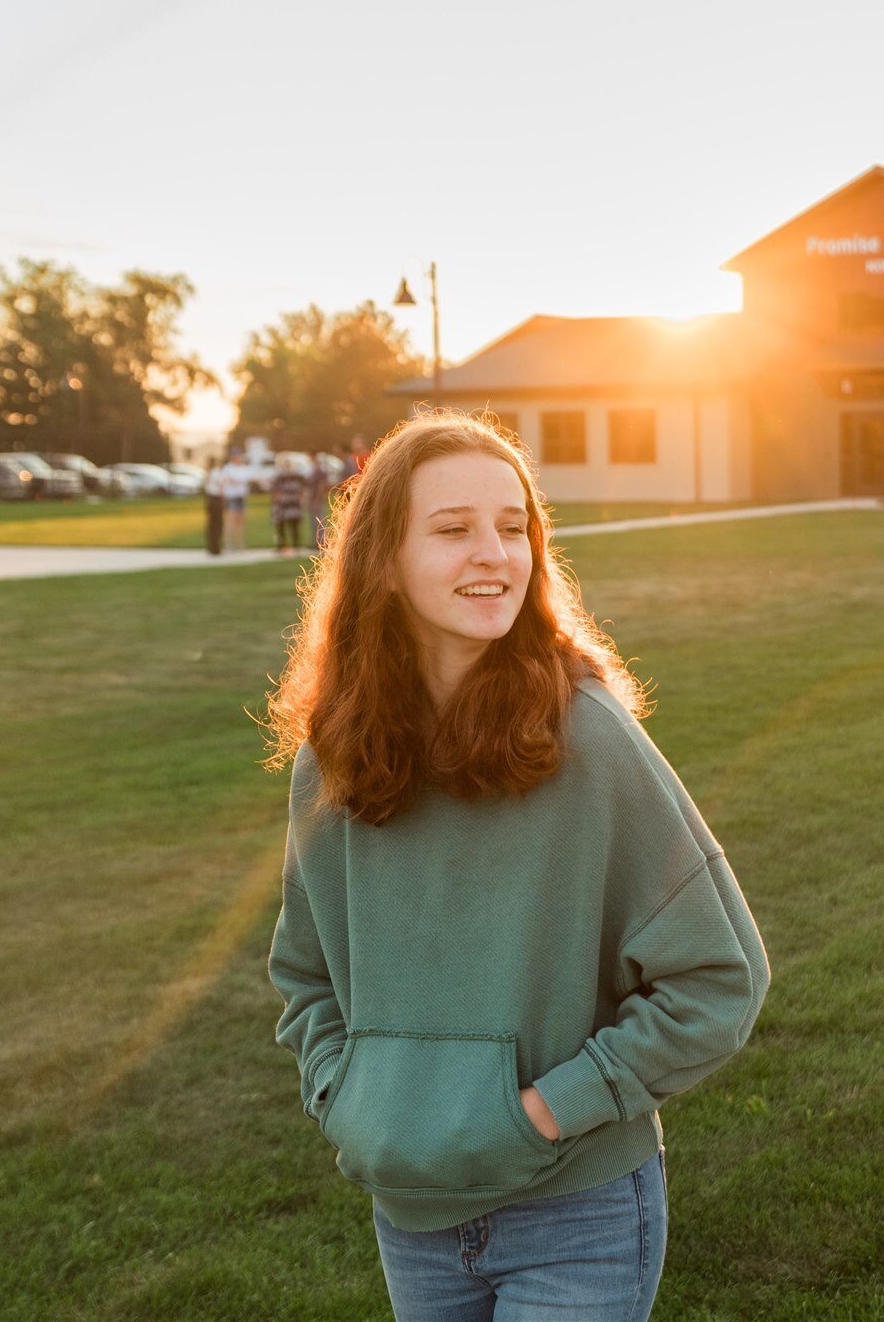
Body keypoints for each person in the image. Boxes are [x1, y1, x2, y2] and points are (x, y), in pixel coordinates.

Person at [264, 413, 770, 1322]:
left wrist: (546, 1109)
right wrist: (350, 1097)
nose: (494, 553)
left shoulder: (589, 737)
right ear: (384, 558)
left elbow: (720, 979)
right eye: (454, 528)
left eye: (515, 526)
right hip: (412, 1219)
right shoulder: (333, 759)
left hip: (577, 1212)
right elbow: (305, 975)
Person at [271, 453, 307, 554]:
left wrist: (300, 495)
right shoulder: (280, 476)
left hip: (293, 504)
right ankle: (282, 545)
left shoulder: (296, 475)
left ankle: (296, 544)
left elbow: (304, 485)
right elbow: (275, 488)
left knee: (294, 525)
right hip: (283, 504)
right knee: (281, 525)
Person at [221, 446, 249, 554]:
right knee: (229, 521)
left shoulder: (244, 468)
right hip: (231, 497)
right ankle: (228, 544)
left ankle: (239, 544)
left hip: (240, 497)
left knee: (240, 522)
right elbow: (226, 481)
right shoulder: (228, 468)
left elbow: (244, 481)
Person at [306, 453, 333, 552]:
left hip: (317, 500)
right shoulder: (312, 470)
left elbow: (321, 486)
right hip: (312, 499)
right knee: (313, 521)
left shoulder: (319, 471)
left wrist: (317, 499)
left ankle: (321, 542)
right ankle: (315, 542)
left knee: (319, 521)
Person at [202, 456, 226, 556]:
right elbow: (221, 486)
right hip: (216, 499)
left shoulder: (208, 473)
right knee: (218, 524)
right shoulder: (216, 472)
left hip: (209, 499)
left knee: (211, 524)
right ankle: (216, 548)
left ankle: (210, 546)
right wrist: (223, 499)